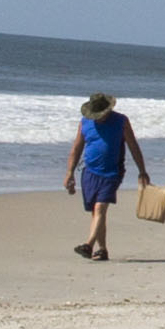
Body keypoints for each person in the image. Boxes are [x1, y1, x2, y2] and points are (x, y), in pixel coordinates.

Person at [61, 92, 138, 259]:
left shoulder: (121, 121)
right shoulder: (84, 123)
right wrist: (69, 173)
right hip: (89, 171)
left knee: (100, 208)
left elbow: (133, 146)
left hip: (112, 172)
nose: (98, 118)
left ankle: (88, 245)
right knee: (95, 213)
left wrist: (142, 171)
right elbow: (76, 148)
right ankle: (102, 249)